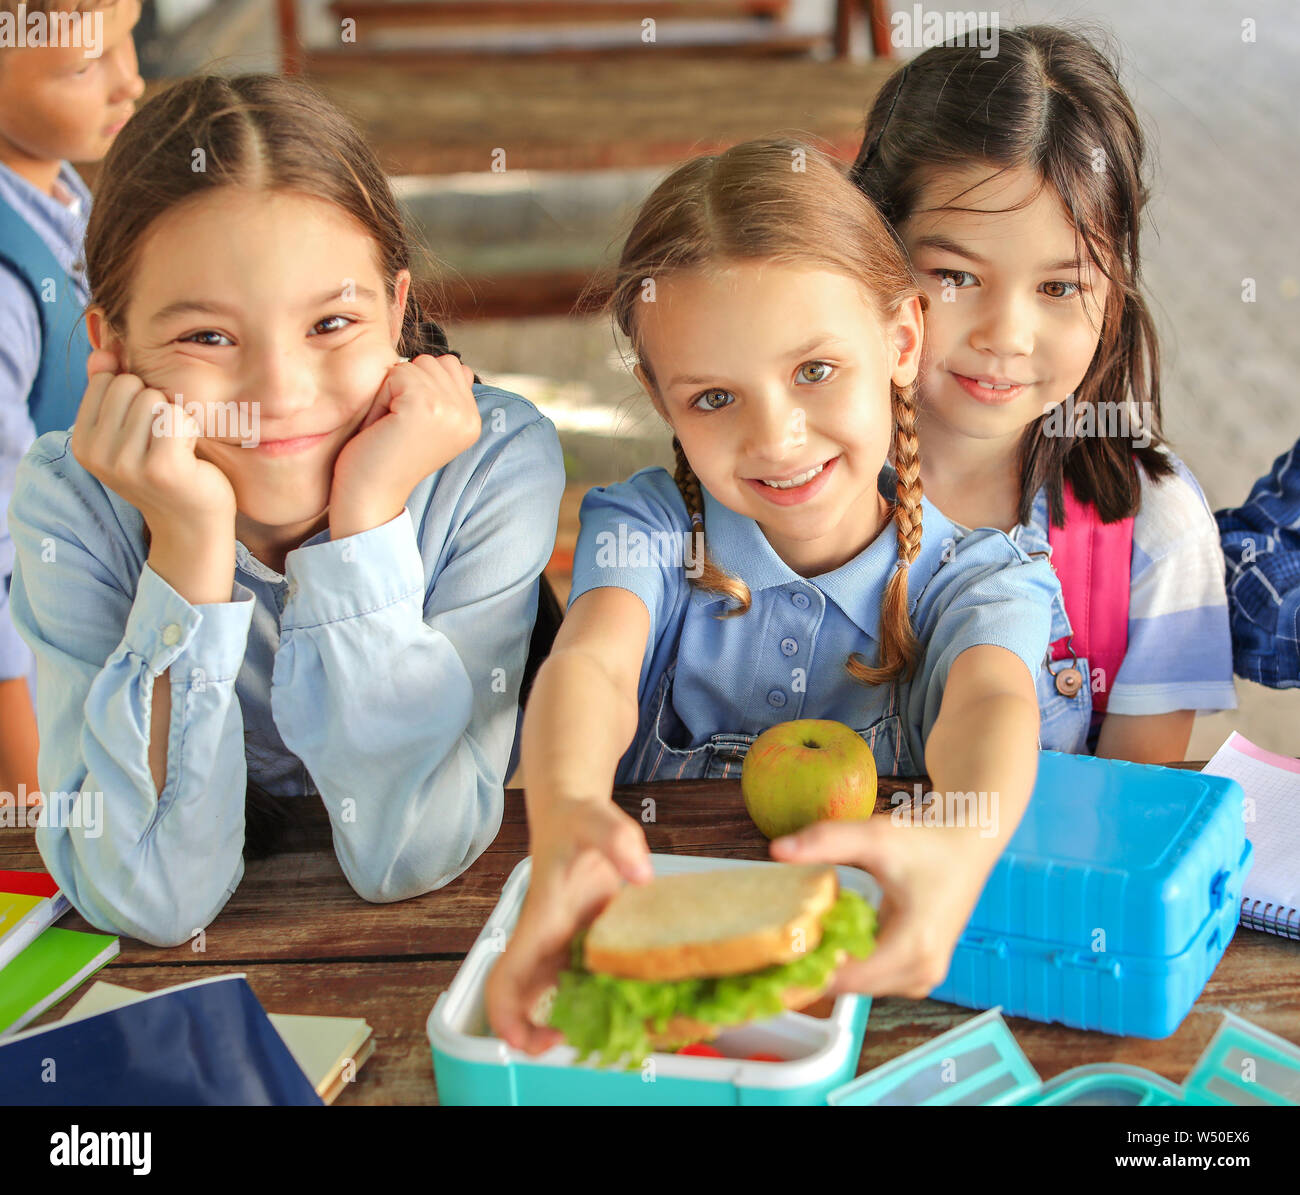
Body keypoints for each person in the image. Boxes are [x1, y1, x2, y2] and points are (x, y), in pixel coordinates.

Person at [487, 139, 1059, 1049]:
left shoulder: (983, 577)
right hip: (662, 1007)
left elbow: (993, 704)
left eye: (814, 372)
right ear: (659, 397)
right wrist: (563, 815)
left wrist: (962, 840)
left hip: (877, 995)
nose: (778, 438)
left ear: (902, 340)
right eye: (714, 397)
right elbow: (591, 662)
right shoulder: (650, 529)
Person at [9, 74, 564, 947]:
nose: (279, 391)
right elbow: (150, 897)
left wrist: (368, 519)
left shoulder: (489, 465)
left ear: (396, 307)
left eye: (331, 323)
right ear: (108, 349)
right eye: (207, 336)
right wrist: (188, 545)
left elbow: (411, 853)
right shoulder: (70, 503)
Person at [850, 25, 1236, 763]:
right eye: (956, 277)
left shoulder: (1153, 539)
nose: (1008, 335)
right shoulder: (789, 474)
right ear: (869, 246)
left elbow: (1118, 838)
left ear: (1112, 296)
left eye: (1059, 286)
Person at [0, 0, 144, 800]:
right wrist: (30, 795)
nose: (130, 81)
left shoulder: (58, 195)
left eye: (131, 39)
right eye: (85, 67)